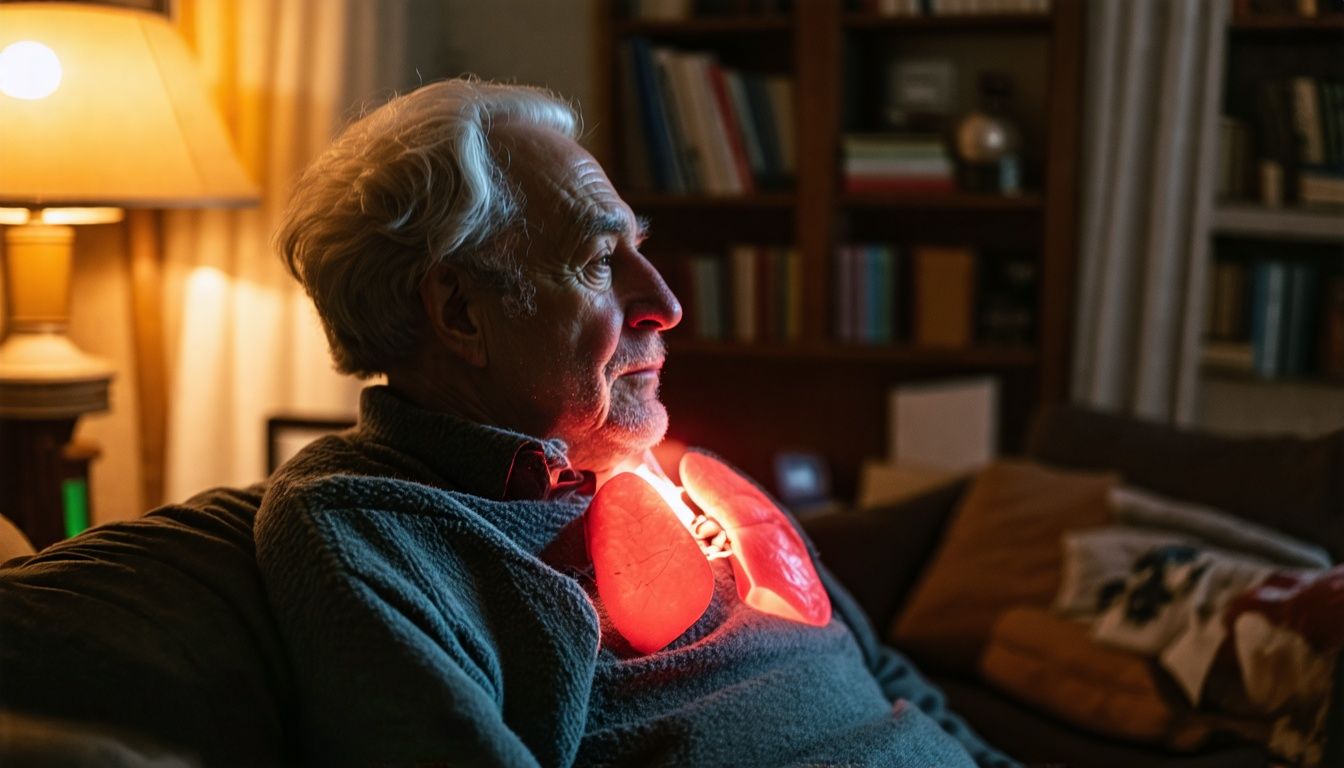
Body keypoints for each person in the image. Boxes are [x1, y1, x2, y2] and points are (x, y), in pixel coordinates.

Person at [255, 77, 1016, 767]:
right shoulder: (369, 523)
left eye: (637, 250)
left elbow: (885, 676)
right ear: (460, 311)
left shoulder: (682, 469)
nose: (667, 304)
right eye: (595, 262)